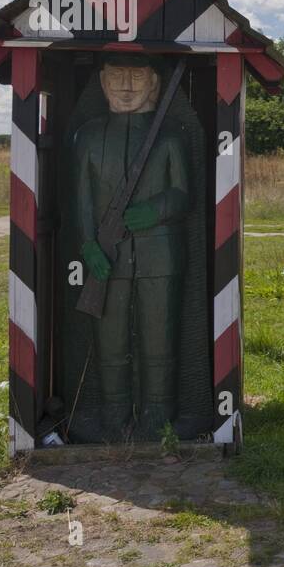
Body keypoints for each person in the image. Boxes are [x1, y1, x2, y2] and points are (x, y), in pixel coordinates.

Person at [71, 55, 190, 440]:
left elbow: (183, 194)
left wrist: (156, 209)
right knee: (110, 341)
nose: (126, 85)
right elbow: (82, 200)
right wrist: (89, 245)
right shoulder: (88, 137)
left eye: (137, 76)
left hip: (161, 257)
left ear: (154, 83)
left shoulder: (170, 136)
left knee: (160, 338)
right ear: (103, 82)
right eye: (117, 76)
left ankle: (159, 412)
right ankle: (113, 413)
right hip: (107, 260)